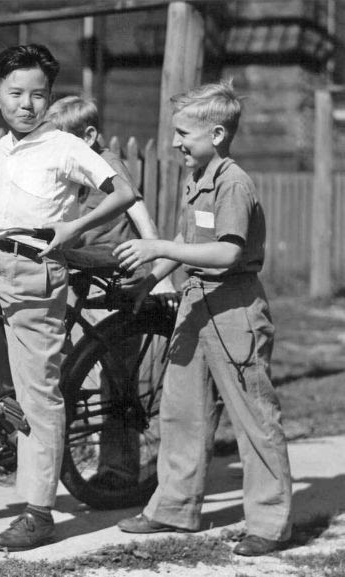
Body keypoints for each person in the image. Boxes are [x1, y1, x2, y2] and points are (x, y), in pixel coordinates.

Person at [0, 43, 137, 551]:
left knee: (39, 394)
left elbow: (123, 192)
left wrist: (74, 226)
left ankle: (40, 512)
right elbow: (1, 191)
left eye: (38, 95)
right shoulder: (5, 147)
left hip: (37, 273)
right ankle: (21, 444)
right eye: (16, 93)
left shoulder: (65, 146)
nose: (27, 103)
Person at [113, 80, 292, 557]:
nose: (174, 143)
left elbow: (228, 251)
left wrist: (158, 248)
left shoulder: (233, 182)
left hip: (234, 309)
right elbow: (186, 236)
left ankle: (270, 522)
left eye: (182, 134)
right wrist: (152, 278)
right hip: (196, 304)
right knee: (181, 411)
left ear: (215, 133)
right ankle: (174, 507)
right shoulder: (198, 176)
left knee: (254, 417)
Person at [45, 94, 175, 489]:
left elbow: (137, 208)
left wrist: (159, 267)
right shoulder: (72, 166)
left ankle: (119, 471)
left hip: (118, 271)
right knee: (83, 360)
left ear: (88, 136)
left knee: (118, 377)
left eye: (63, 143)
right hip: (87, 267)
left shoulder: (106, 164)